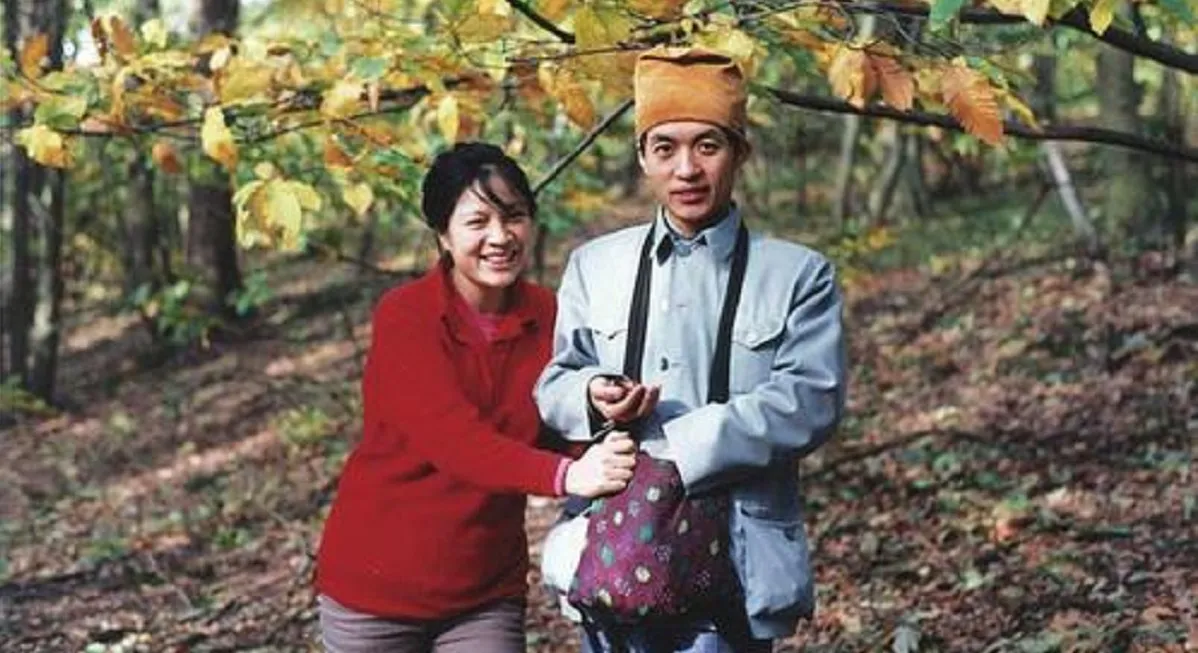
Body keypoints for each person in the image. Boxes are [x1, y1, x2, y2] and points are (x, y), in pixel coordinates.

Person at [535, 47, 847, 652]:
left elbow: (811, 400)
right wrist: (595, 398)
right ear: (642, 157)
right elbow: (554, 386)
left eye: (708, 145)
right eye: (665, 147)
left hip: (733, 560)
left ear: (741, 152)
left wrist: (683, 445)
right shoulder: (595, 266)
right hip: (613, 550)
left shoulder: (798, 275)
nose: (687, 169)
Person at [315, 142, 637, 653]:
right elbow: (454, 440)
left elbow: (558, 423)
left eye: (514, 216)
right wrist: (567, 476)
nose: (499, 236)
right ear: (443, 234)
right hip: (375, 596)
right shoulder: (406, 317)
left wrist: (601, 411)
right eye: (477, 221)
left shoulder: (550, 315)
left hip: (484, 591)